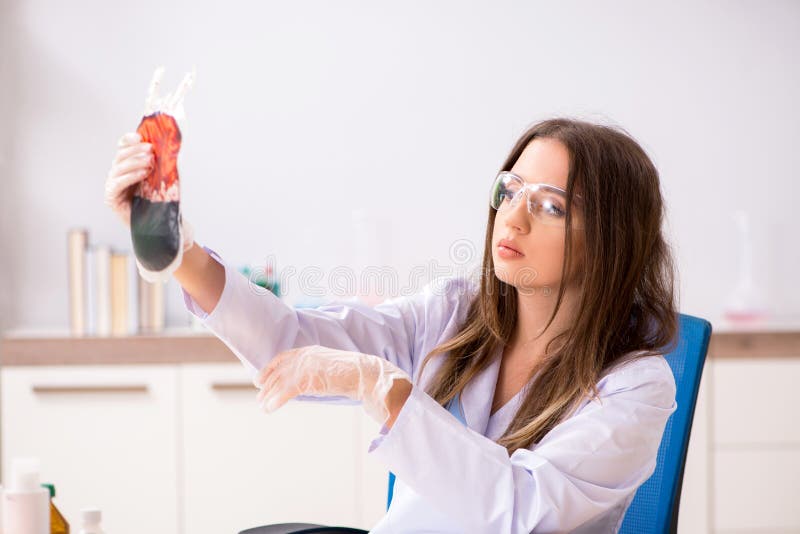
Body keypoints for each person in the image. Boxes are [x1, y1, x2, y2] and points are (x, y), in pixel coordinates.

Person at [104, 117, 679, 533]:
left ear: (611, 237)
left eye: (551, 205)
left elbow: (522, 511)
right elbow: (292, 342)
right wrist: (178, 251)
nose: (514, 216)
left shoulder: (635, 388)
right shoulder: (455, 313)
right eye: (511, 190)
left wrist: (384, 387)